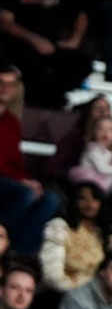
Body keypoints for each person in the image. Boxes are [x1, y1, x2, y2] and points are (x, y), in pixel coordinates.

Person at [0, 0, 92, 106]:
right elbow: (5, 22)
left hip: (54, 45)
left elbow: (81, 16)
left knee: (82, 62)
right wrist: (34, 39)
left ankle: (51, 98)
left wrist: (74, 40)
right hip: (21, 45)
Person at [0, 65, 61, 255]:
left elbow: (15, 161)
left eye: (11, 84)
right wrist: (21, 181)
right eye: (1, 83)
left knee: (50, 199)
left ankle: (19, 254)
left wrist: (30, 180)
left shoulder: (11, 121)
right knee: (24, 194)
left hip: (7, 180)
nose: (5, 88)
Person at [41, 183, 109, 293]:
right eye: (82, 198)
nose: (89, 204)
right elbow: (53, 276)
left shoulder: (104, 236)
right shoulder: (59, 226)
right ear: (74, 201)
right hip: (59, 293)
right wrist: (78, 295)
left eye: (94, 199)